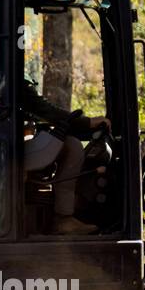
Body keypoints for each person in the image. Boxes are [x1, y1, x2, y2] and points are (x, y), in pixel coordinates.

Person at [21, 78, 108, 235]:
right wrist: (87, 122)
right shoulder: (2, 72)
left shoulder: (0, 67)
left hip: (12, 141)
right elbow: (42, 108)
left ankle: (63, 218)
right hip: (2, 148)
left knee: (71, 146)